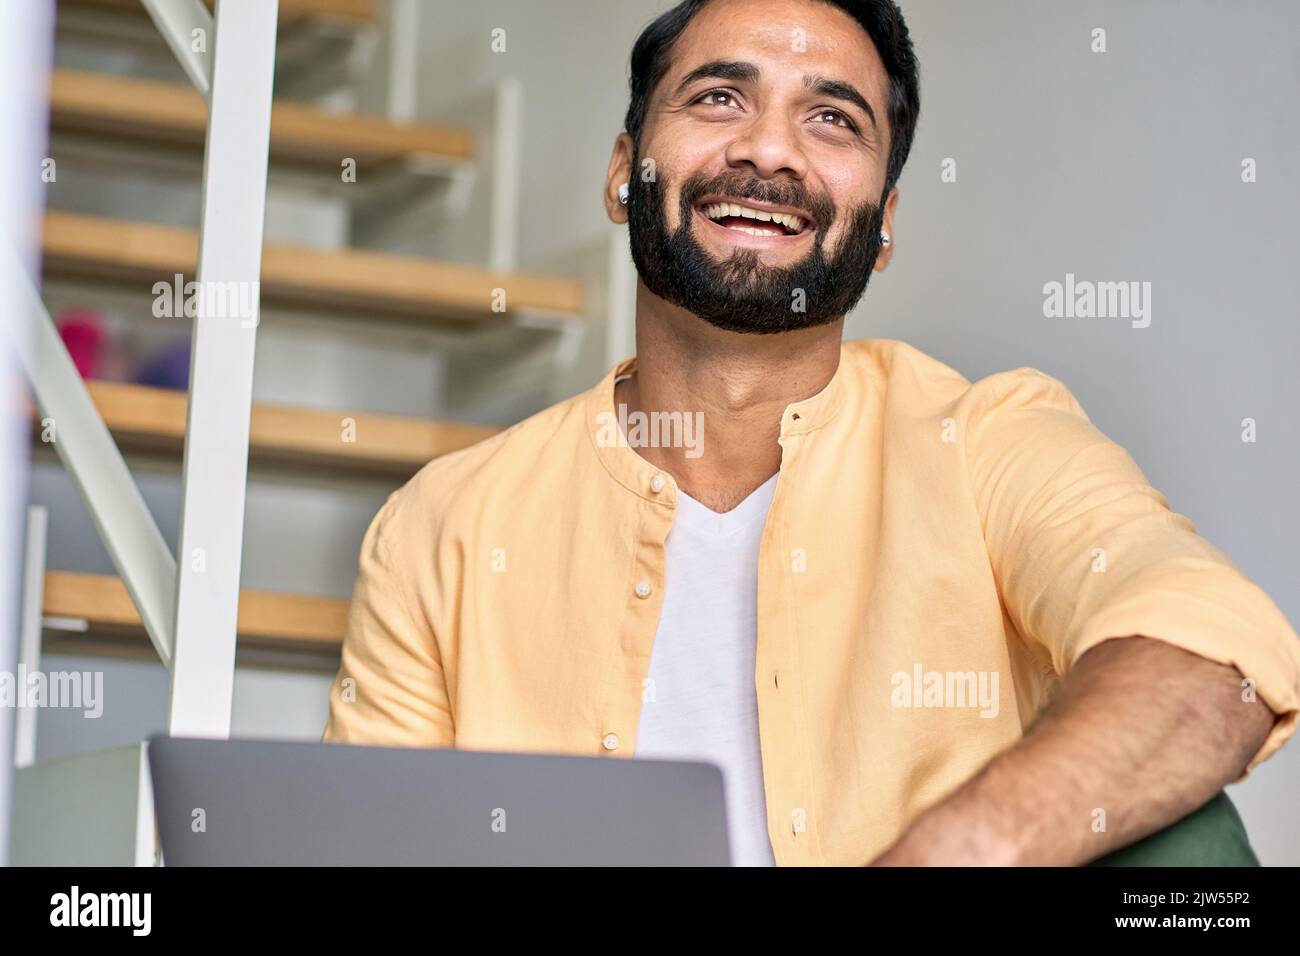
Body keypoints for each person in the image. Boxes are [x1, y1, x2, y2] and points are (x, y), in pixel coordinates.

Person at [324, 0, 1300, 866]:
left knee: (1181, 841)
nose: (769, 151)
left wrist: (966, 842)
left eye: (831, 118)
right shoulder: (445, 525)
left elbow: (1205, 650)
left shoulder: (988, 439)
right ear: (625, 173)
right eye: (717, 98)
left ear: (881, 224)